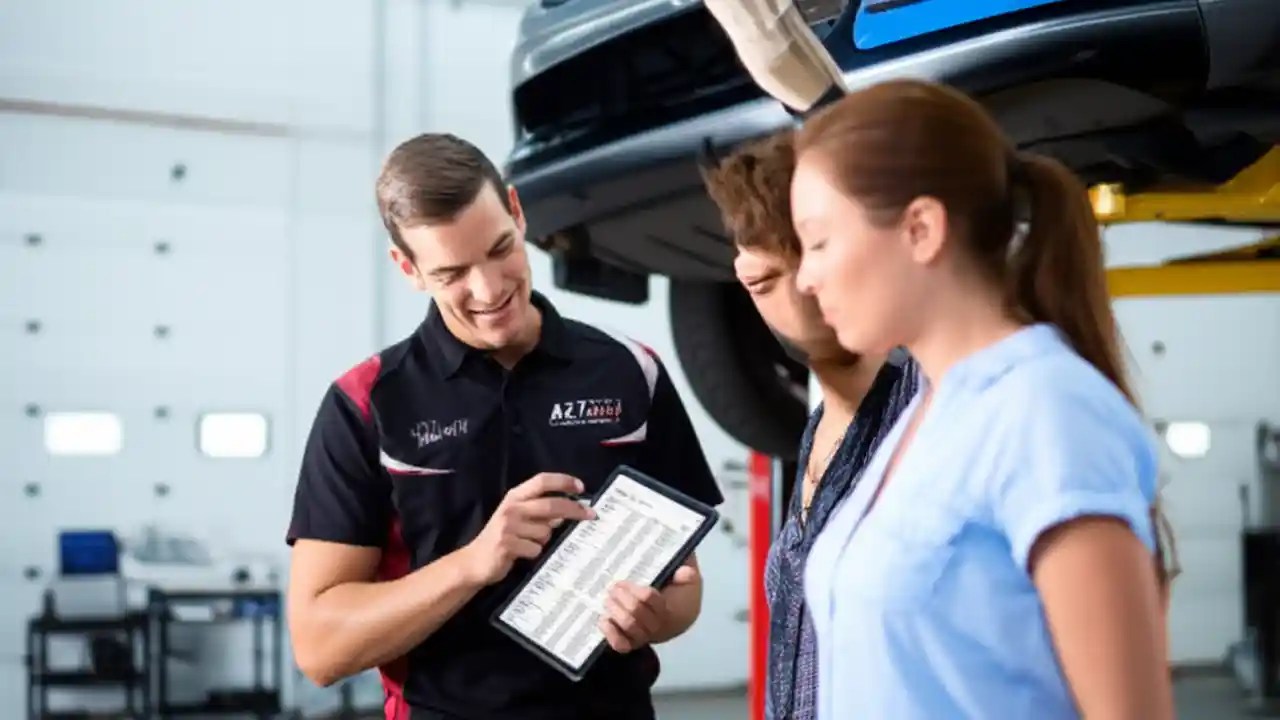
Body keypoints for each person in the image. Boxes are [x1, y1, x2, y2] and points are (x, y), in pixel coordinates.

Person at [284, 133, 725, 720]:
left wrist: (656, 618)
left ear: (517, 212)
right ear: (408, 269)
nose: (489, 290)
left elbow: (685, 586)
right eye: (452, 273)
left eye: (499, 249)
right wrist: (473, 562)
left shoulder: (631, 373)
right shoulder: (365, 404)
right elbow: (319, 649)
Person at [789, 79, 1175, 720]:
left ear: (920, 228)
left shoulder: (1045, 411)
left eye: (820, 241)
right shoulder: (926, 413)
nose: (806, 275)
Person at [699, 130, 918, 720]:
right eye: (757, 283)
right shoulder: (820, 424)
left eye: (794, 266)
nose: (794, 298)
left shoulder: (929, 413)